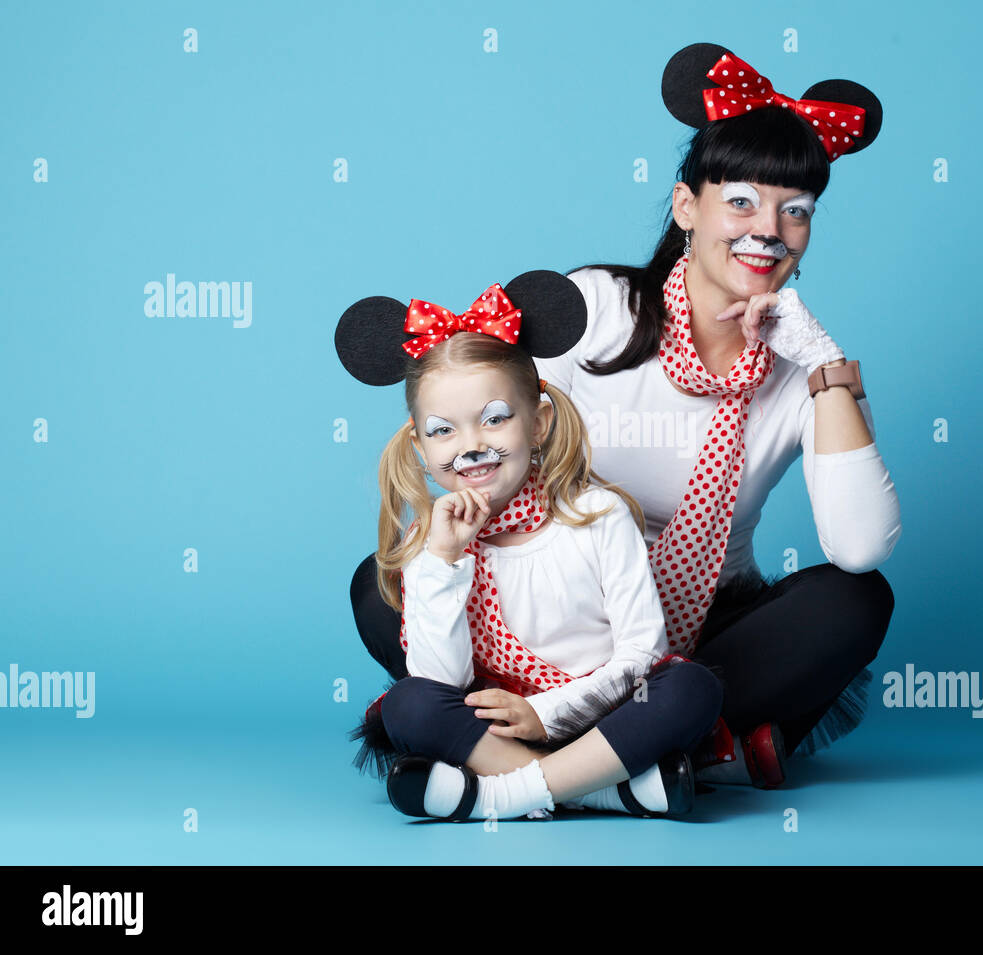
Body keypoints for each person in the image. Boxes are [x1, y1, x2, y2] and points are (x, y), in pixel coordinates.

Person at [349, 43, 901, 789]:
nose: (767, 228)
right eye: (740, 200)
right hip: (551, 601)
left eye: (794, 211)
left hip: (701, 629)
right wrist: (453, 552)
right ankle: (620, 771)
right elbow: (490, 428)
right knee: (379, 583)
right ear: (686, 207)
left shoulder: (804, 363)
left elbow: (861, 543)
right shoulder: (596, 311)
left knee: (854, 600)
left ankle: (535, 763)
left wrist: (822, 361)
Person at [335, 271, 723, 820]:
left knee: (689, 688)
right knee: (409, 704)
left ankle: (498, 794)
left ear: (537, 423)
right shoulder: (432, 543)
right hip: (493, 730)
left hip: (603, 721)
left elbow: (642, 655)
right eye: (444, 431)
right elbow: (442, 684)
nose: (472, 446)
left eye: (495, 420)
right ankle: (606, 792)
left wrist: (545, 713)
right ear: (419, 444)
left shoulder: (598, 516)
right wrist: (444, 561)